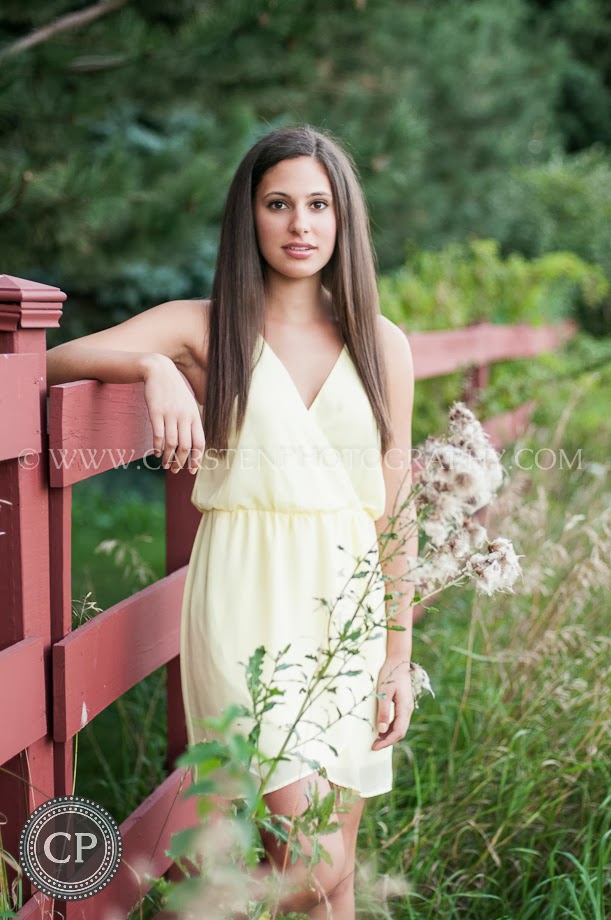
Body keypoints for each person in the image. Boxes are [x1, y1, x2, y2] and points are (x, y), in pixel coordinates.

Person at [46, 124, 417, 919]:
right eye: (278, 203)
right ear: (248, 216)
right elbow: (49, 362)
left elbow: (397, 504)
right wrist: (153, 367)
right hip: (248, 607)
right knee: (311, 861)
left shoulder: (381, 343)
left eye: (318, 205)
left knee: (334, 872)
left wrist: (396, 654)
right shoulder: (202, 327)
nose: (300, 225)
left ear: (343, 219)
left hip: (346, 613)